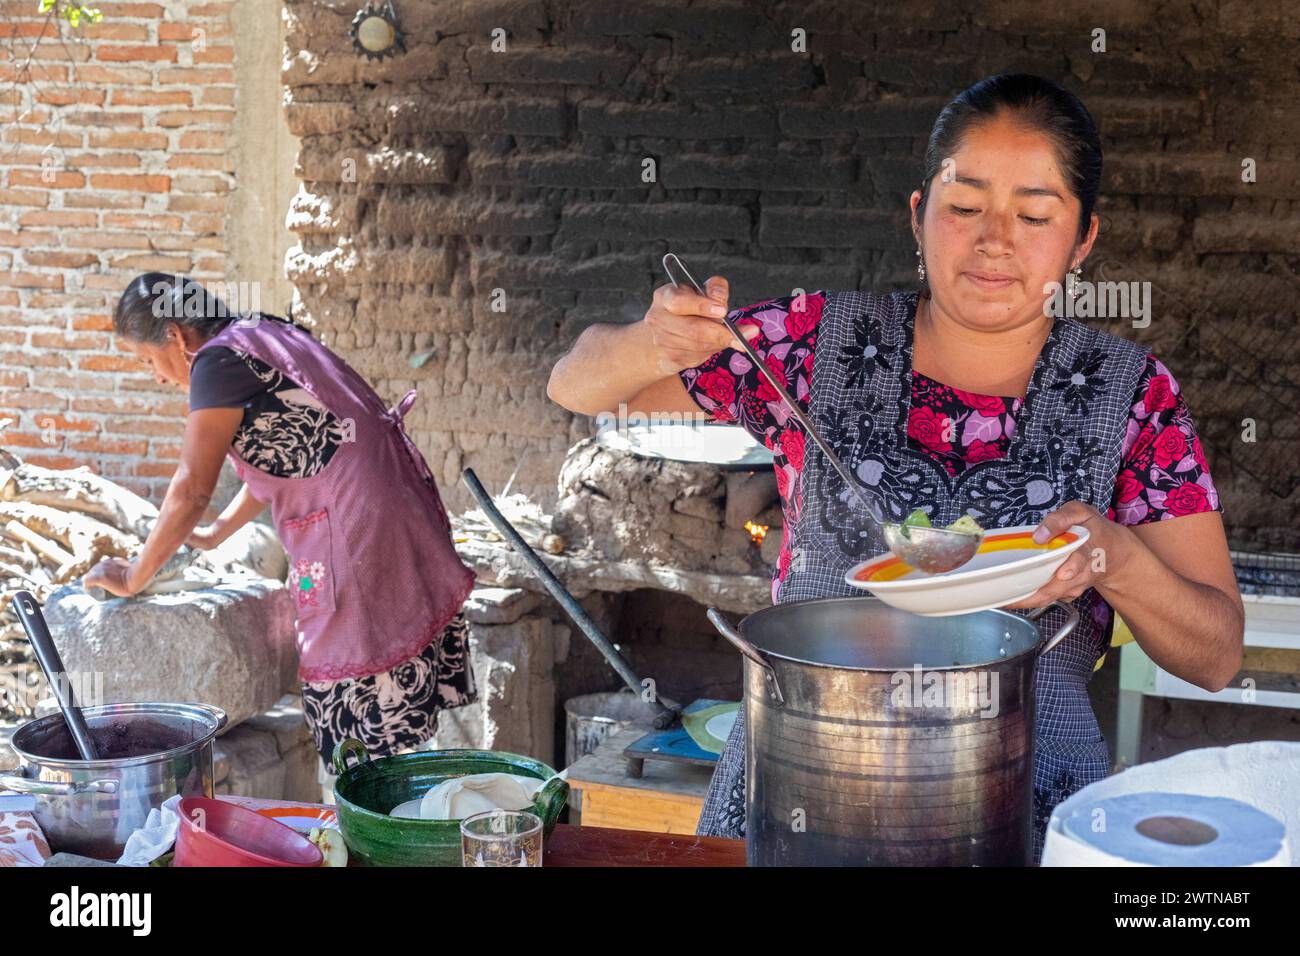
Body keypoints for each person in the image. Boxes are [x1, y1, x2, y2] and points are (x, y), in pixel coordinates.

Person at [546, 74, 1244, 859]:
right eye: (965, 205)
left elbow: (1215, 656)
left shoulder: (1130, 395)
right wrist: (654, 341)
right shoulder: (817, 342)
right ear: (919, 217)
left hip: (1023, 791)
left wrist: (1115, 557)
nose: (994, 240)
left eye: (1036, 215)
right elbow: (577, 383)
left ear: (1083, 239)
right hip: (801, 776)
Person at [84, 274, 478, 769]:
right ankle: (396, 812)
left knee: (353, 704)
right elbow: (297, 449)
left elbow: (190, 490)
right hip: (389, 507)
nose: (157, 377)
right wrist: (217, 532)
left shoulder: (216, 362)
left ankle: (373, 826)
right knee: (385, 710)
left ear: (176, 336)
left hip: (352, 530)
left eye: (147, 360)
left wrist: (133, 575)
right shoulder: (263, 333)